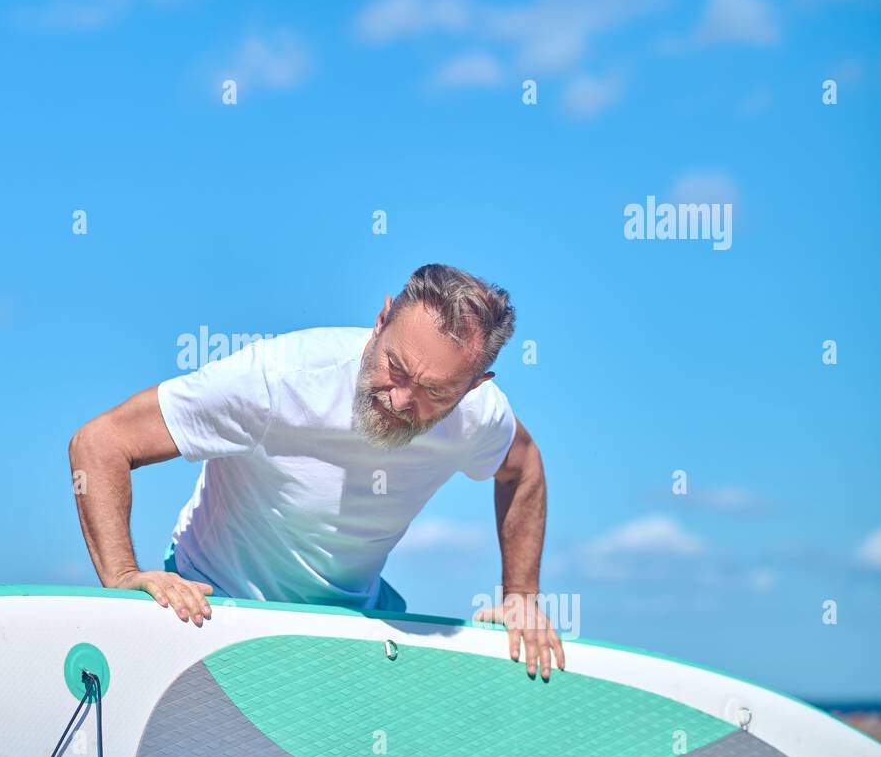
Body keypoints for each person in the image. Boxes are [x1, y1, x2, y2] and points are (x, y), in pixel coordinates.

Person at [68, 263, 564, 680]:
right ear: (381, 319)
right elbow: (100, 442)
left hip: (358, 618)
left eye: (435, 393)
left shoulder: (478, 415)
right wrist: (123, 578)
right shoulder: (277, 380)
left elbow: (523, 471)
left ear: (475, 387)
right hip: (214, 604)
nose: (400, 400)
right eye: (396, 367)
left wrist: (521, 598)